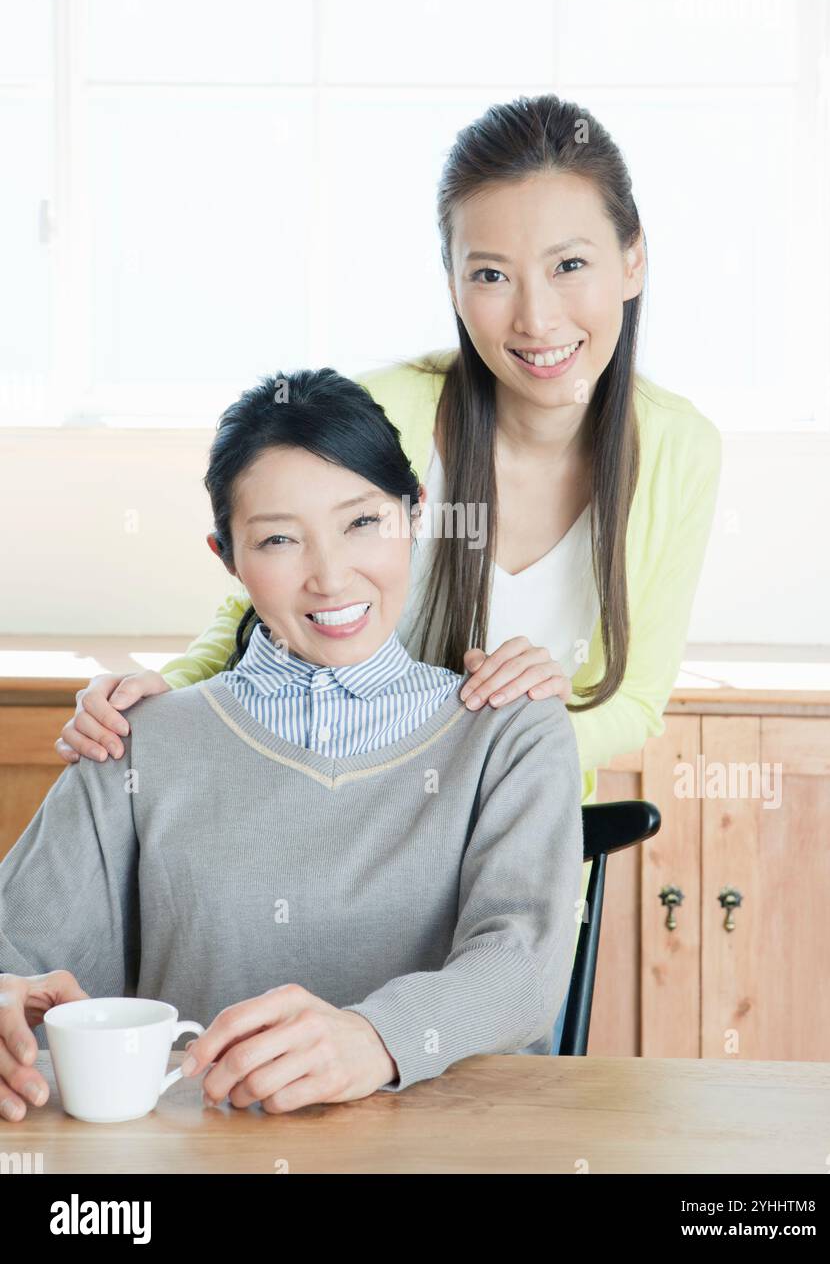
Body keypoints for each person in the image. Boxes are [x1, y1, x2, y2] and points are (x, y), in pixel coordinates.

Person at [52, 92, 722, 1059]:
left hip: (482, 864)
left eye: (569, 264)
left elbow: (639, 699)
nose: (536, 317)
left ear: (633, 260)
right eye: (490, 273)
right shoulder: (391, 411)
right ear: (451, 282)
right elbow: (266, 597)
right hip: (308, 832)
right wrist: (154, 704)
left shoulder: (679, 451)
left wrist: (506, 757)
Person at [0, 369, 583, 1122]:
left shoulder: (510, 729)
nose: (332, 575)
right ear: (228, 558)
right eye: (279, 539)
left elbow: (523, 970)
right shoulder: (134, 741)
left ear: (415, 516)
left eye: (363, 523)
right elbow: (16, 955)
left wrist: (375, 1038)